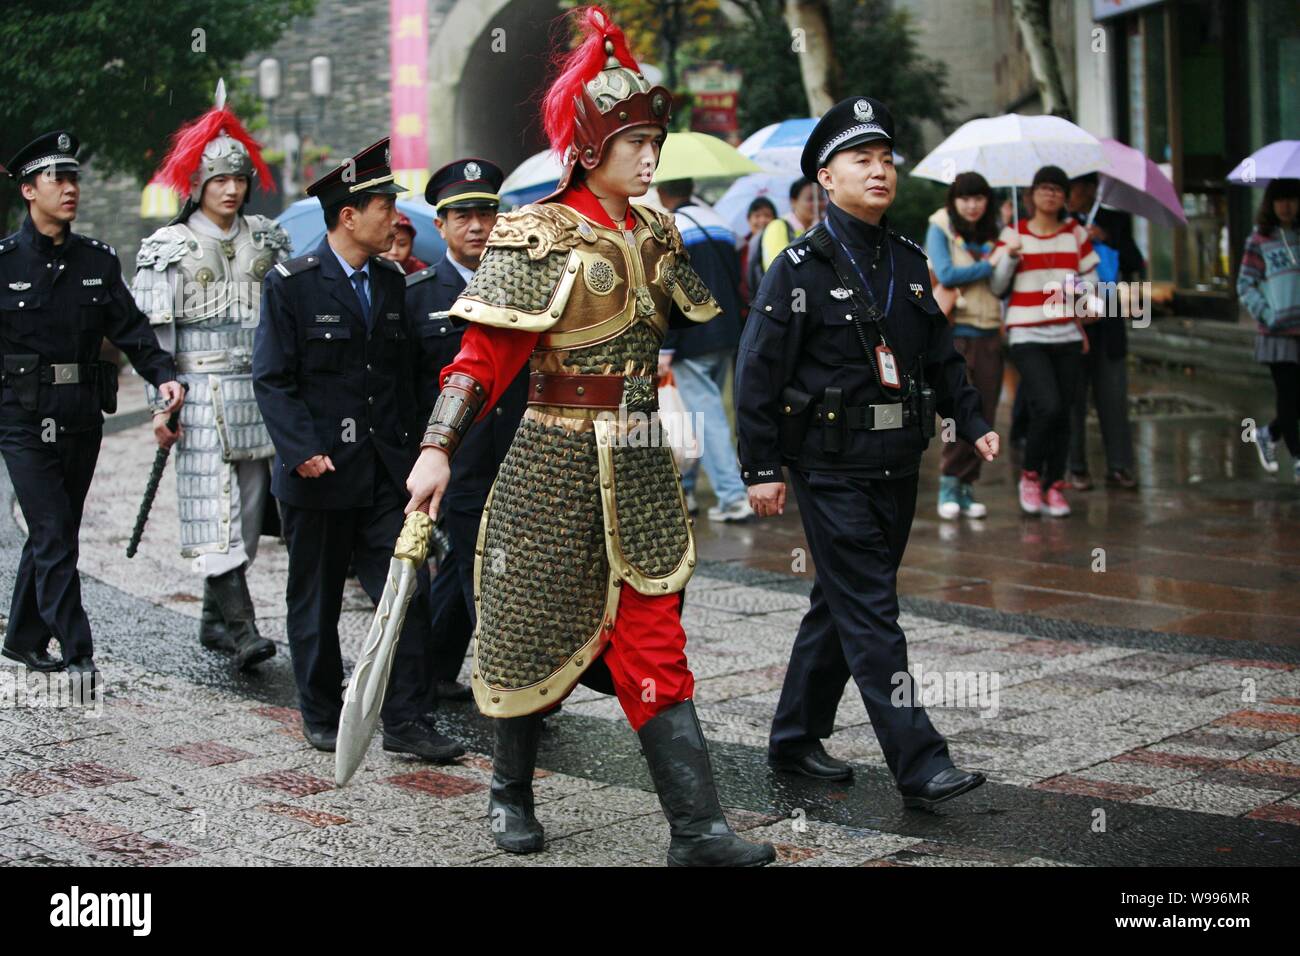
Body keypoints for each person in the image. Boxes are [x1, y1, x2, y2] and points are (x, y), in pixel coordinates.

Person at [404, 5, 775, 867]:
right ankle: (509, 791)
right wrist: (436, 446)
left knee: (654, 637)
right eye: (634, 142)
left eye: (655, 140)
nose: (651, 157)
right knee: (527, 628)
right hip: (552, 457)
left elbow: (695, 331)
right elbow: (482, 353)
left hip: (641, 459)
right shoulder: (534, 231)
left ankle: (698, 832)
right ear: (589, 146)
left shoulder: (657, 230)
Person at [735, 96, 997, 809]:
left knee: (841, 603)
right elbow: (756, 368)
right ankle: (921, 763)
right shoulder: (798, 266)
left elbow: (941, 357)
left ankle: (793, 736)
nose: (879, 171)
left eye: (886, 159)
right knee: (873, 611)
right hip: (828, 468)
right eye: (862, 159)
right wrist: (760, 468)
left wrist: (970, 419)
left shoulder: (908, 261)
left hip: (896, 463)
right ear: (827, 175)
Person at [252, 137, 464, 762]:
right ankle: (319, 712)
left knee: (406, 593)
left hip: (384, 473)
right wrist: (301, 449)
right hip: (318, 475)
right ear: (349, 215)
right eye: (383, 207)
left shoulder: (393, 281)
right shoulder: (292, 284)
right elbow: (272, 377)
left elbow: (402, 377)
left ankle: (407, 720)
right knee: (314, 600)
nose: (396, 220)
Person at [0, 131, 183, 686]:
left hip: (81, 414)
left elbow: (131, 329)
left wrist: (163, 377)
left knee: (57, 531)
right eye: (57, 178)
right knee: (53, 531)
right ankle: (79, 649)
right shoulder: (4, 263)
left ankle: (22, 637)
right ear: (30, 190)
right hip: (22, 417)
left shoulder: (97, 261)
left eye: (74, 177)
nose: (70, 188)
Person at [131, 87, 287, 671]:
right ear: (197, 184)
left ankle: (211, 620)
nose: (231, 188)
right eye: (219, 179)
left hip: (255, 393)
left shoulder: (266, 240)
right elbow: (156, 341)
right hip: (196, 395)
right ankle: (243, 628)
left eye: (239, 178)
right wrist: (159, 406)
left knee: (246, 513)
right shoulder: (166, 249)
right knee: (211, 510)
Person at [405, 157, 524, 704]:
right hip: (458, 462)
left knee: (474, 565)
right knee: (489, 578)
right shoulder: (419, 296)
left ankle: (433, 667)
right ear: (440, 226)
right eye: (462, 216)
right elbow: (405, 389)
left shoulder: (526, 286)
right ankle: (514, 689)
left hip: (522, 455)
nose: (476, 226)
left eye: (485, 213)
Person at [997, 165, 1097, 518]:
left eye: (1058, 189)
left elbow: (1090, 284)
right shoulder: (1014, 233)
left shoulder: (1076, 234)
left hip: (1067, 333)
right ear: (1031, 195)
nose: (1051, 194)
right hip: (1027, 333)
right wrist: (1010, 257)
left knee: (1067, 413)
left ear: (1065, 197)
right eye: (1044, 188)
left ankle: (1054, 483)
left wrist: (1084, 297)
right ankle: (1030, 474)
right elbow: (997, 286)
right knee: (1048, 406)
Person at [655, 177, 751, 522]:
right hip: (726, 333)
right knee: (697, 415)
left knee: (704, 417)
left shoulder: (670, 228)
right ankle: (688, 491)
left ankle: (732, 497)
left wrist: (667, 347)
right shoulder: (721, 224)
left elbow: (671, 290)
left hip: (690, 340)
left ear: (665, 193)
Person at [925, 171, 1007, 519]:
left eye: (978, 198)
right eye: (964, 198)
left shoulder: (999, 230)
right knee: (957, 413)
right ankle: (948, 481)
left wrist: (1008, 256)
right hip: (956, 331)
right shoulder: (941, 226)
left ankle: (967, 485)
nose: (972, 206)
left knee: (984, 413)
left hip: (990, 331)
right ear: (953, 200)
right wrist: (988, 265)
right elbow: (945, 274)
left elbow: (1003, 283)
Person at [1064, 172, 1140, 490]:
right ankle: (1076, 467)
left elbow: (1136, 261)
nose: (1082, 193)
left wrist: (1106, 238)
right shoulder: (1057, 222)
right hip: (1070, 320)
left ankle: (1119, 466)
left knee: (1113, 398)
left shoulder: (1113, 220)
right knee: (1072, 400)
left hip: (1108, 321)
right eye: (1076, 188)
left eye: (1087, 188)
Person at [1238, 177, 1300, 481]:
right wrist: (1267, 314)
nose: (1286, 206)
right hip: (1277, 333)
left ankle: (1268, 433)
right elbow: (1244, 284)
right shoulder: (1259, 239)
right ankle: (1298, 457)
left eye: (1292, 199)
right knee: (1288, 395)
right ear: (1270, 204)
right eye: (1280, 199)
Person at [749, 176, 821, 295]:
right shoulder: (778, 227)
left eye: (821, 198)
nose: (817, 204)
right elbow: (779, 272)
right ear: (793, 201)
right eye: (810, 199)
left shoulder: (818, 228)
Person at [738, 196, 776, 308]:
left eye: (767, 216)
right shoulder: (741, 246)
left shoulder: (778, 246)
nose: (762, 220)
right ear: (748, 219)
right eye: (757, 216)